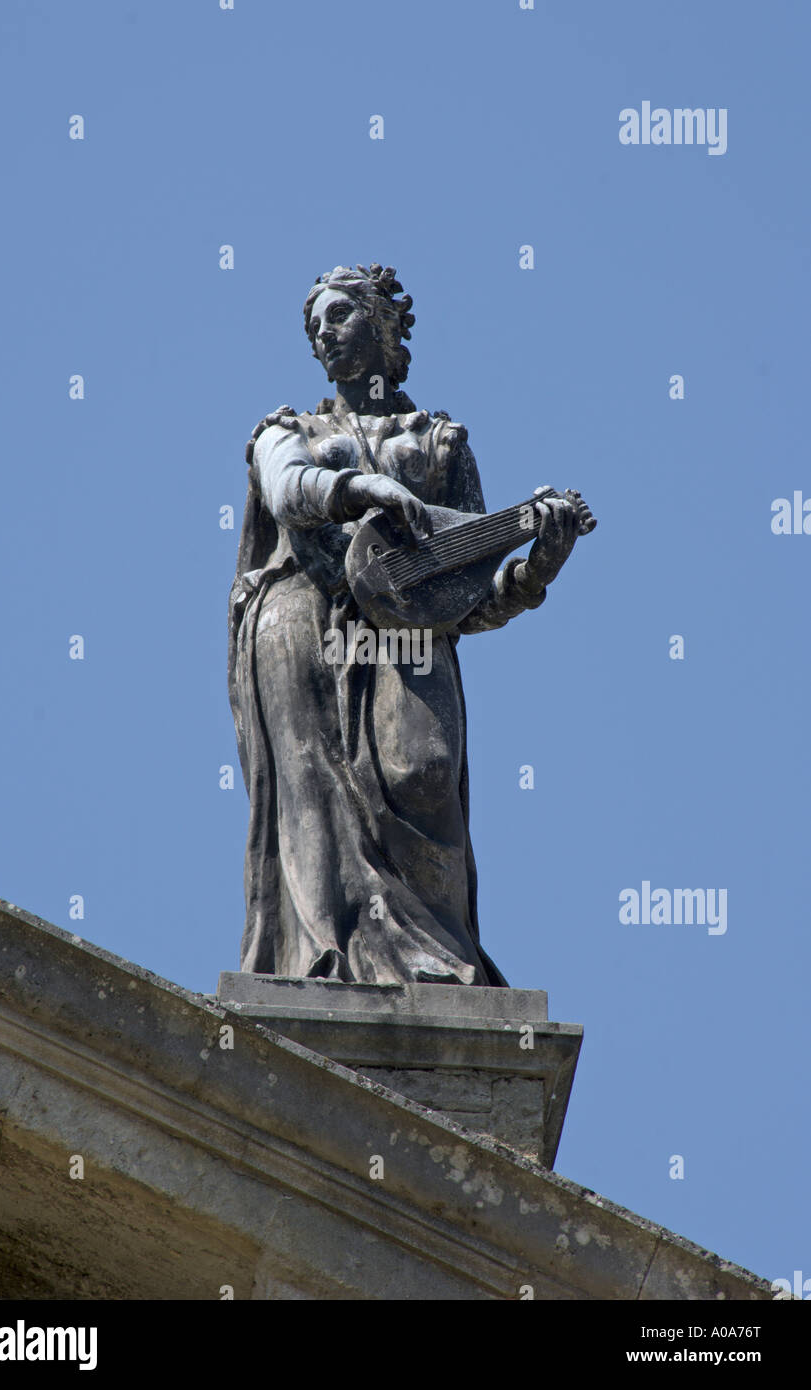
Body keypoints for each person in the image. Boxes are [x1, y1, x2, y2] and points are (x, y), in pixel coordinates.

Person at [228, 264, 580, 985]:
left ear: (383, 324)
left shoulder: (442, 442)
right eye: (313, 325)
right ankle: (324, 959)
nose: (322, 334)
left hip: (412, 632)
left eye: (338, 315)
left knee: (424, 771)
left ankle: (436, 962)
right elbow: (288, 489)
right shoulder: (288, 428)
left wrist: (538, 562)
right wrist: (360, 486)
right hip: (302, 623)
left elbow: (472, 597)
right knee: (312, 788)